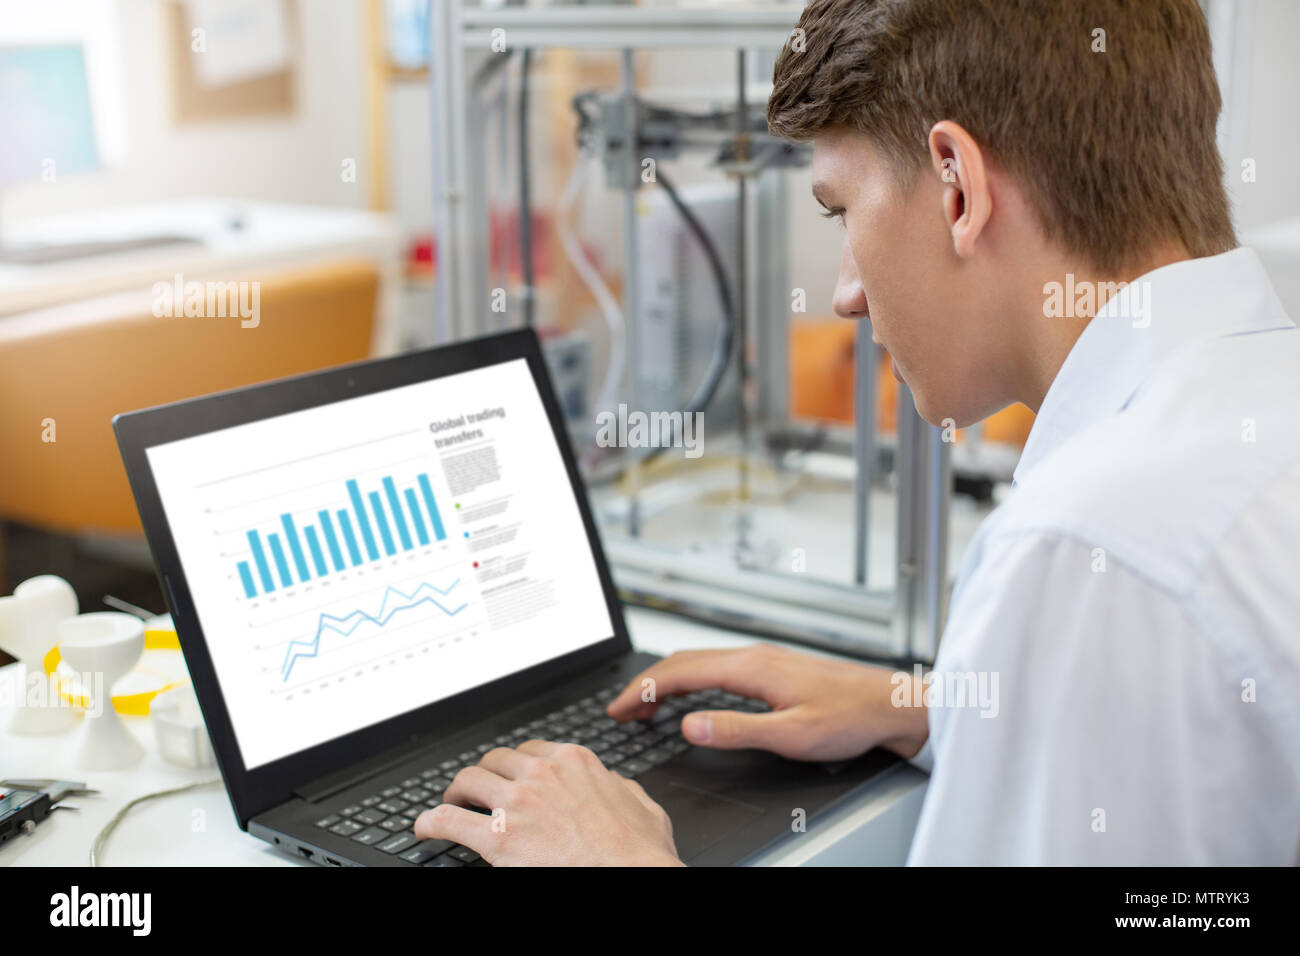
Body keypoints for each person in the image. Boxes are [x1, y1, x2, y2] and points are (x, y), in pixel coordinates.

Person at [415, 0, 1300, 865]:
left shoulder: (1084, 547)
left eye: (840, 212)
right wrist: (945, 706)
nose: (845, 292)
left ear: (958, 185)